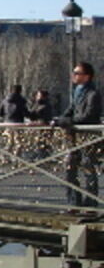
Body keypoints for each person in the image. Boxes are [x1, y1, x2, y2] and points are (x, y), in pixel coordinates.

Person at [56, 62, 104, 208]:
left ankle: (90, 202)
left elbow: (88, 116)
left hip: (88, 137)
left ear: (87, 76)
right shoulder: (77, 91)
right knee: (70, 167)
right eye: (74, 73)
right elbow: (71, 110)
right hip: (74, 136)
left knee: (88, 168)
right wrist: (59, 120)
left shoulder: (93, 94)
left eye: (77, 73)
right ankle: (74, 202)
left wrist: (66, 121)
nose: (73, 76)